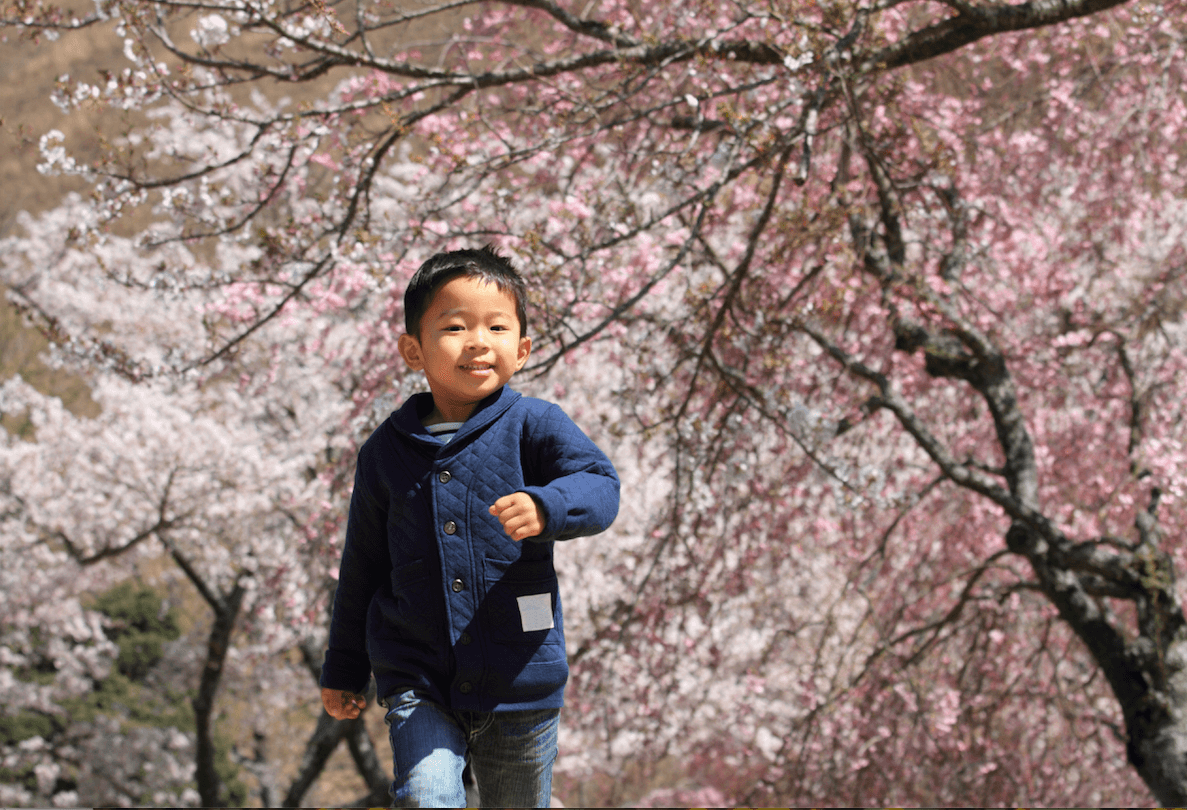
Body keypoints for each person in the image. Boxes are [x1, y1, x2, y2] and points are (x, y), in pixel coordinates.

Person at [319, 245, 620, 807]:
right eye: (455, 326)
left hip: (520, 675)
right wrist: (344, 666)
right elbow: (361, 564)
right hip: (418, 677)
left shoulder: (535, 425)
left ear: (523, 349)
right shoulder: (386, 451)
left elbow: (601, 485)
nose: (479, 341)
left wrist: (549, 505)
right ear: (414, 349)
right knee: (425, 796)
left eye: (497, 327)